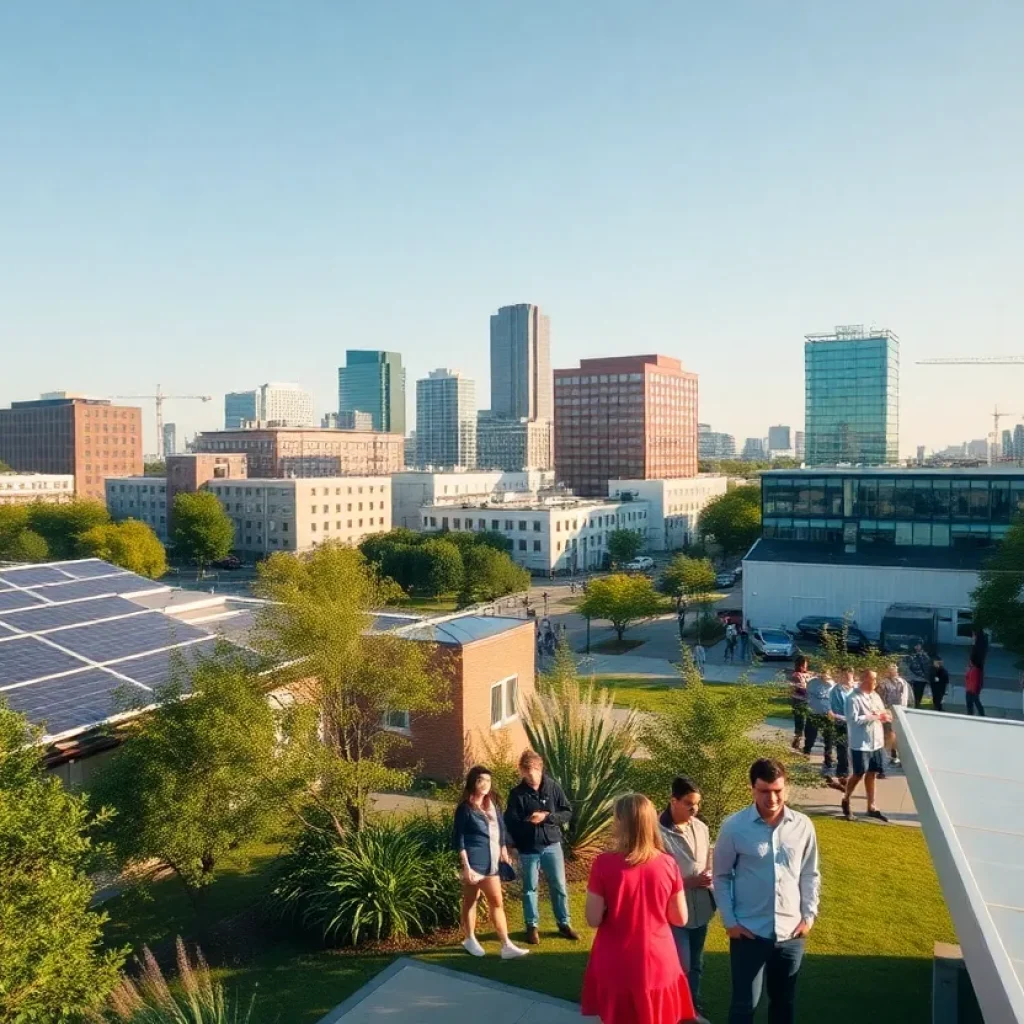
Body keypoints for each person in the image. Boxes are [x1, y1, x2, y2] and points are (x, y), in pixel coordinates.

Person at [713, 759, 820, 1024]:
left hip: (791, 934)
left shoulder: (803, 825)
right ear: (752, 788)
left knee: (783, 1004)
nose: (772, 798)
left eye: (777, 790)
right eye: (764, 791)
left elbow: (809, 873)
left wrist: (808, 916)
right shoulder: (734, 827)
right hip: (749, 933)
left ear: (786, 788)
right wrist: (730, 922)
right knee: (744, 1005)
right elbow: (721, 876)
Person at [581, 793, 696, 1024]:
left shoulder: (603, 863)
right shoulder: (667, 863)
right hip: (657, 961)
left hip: (616, 961)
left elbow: (593, 918)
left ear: (621, 823)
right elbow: (680, 918)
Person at [451, 766, 528, 959]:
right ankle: (469, 938)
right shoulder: (465, 808)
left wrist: (503, 849)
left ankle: (506, 945)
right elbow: (458, 839)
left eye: (488, 780)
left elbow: (500, 829)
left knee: (497, 902)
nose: (485, 784)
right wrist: (466, 867)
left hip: (492, 863)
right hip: (475, 863)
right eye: (480, 780)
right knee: (470, 901)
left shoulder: (493, 804)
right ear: (473, 783)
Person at [503, 750, 577, 945]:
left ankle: (564, 923)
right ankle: (532, 926)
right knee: (530, 888)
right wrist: (527, 824)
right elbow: (510, 822)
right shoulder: (517, 794)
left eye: (534, 774)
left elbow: (567, 811)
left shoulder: (553, 787)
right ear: (522, 772)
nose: (531, 779)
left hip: (552, 844)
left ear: (540, 769)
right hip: (528, 848)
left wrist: (548, 817)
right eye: (527, 776)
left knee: (559, 885)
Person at [659, 777, 715, 1022]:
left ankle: (691, 1004)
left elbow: (708, 858)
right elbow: (654, 879)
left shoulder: (700, 827)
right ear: (673, 801)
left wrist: (710, 874)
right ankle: (675, 1007)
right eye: (690, 804)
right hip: (673, 912)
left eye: (697, 804)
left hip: (701, 909)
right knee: (681, 964)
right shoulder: (657, 834)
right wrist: (688, 883)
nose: (695, 810)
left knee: (697, 963)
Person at [842, 670, 892, 823]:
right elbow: (853, 719)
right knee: (859, 773)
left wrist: (885, 716)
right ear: (864, 680)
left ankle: (871, 806)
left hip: (876, 741)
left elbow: (882, 712)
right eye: (873, 679)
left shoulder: (875, 696)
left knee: (873, 772)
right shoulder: (853, 698)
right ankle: (846, 799)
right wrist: (874, 716)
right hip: (861, 743)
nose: (875, 682)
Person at [826, 668, 856, 791]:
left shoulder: (857, 688)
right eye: (844, 674)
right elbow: (836, 709)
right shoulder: (835, 691)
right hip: (842, 723)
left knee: (855, 750)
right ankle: (843, 774)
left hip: (857, 724)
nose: (847, 677)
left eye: (849, 674)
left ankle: (852, 773)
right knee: (842, 748)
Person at [877, 663, 910, 766]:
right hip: (888, 711)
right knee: (890, 734)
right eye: (891, 670)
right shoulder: (883, 683)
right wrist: (884, 710)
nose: (893, 672)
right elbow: (879, 697)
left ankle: (900, 756)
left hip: (900, 711)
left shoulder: (902, 683)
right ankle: (892, 755)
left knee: (899, 734)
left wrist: (905, 710)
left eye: (895, 670)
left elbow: (907, 697)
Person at [803, 669, 835, 771]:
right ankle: (807, 752)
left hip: (828, 714)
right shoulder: (813, 683)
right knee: (811, 735)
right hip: (814, 713)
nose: (826, 677)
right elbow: (808, 695)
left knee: (829, 737)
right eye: (824, 674)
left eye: (828, 675)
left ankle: (828, 758)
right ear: (820, 674)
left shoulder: (832, 685)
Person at [788, 655, 812, 753]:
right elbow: (801, 689)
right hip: (799, 701)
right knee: (800, 721)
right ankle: (797, 740)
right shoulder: (796, 675)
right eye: (803, 665)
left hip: (807, 701)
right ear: (799, 665)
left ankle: (800, 741)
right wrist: (810, 690)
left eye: (806, 665)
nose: (805, 667)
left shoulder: (808, 674)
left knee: (806, 722)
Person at [966, 629, 988, 716]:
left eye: (973, 635)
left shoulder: (977, 649)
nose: (972, 637)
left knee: (973, 698)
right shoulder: (978, 647)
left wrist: (970, 667)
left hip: (975, 675)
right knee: (971, 698)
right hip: (974, 673)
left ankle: (977, 714)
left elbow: (974, 660)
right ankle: (974, 714)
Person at [907, 642, 931, 709]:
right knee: (914, 694)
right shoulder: (912, 656)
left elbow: (928, 666)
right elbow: (913, 667)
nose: (917, 647)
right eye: (916, 645)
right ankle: (915, 705)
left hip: (923, 679)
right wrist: (924, 675)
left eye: (919, 645)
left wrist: (927, 677)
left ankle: (918, 705)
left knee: (921, 693)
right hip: (915, 679)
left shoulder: (925, 655)